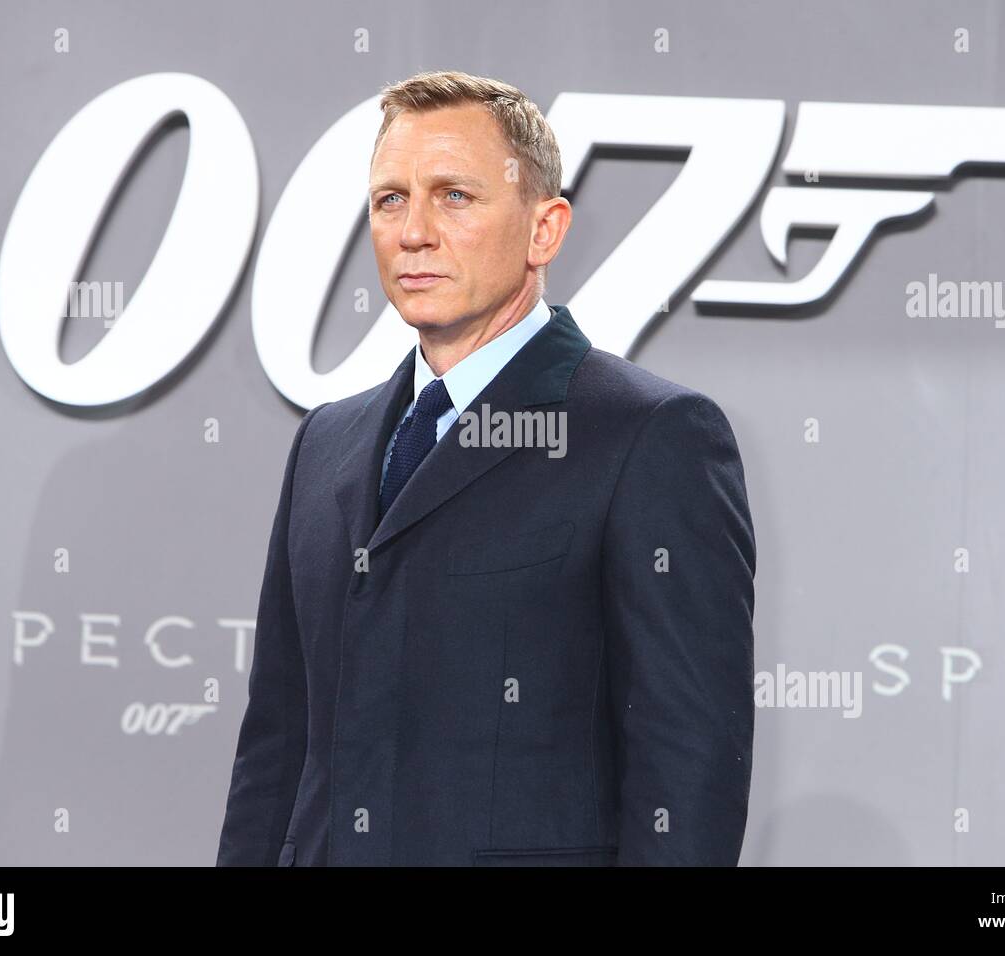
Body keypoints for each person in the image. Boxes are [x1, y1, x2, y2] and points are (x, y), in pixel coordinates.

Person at [216, 70, 756, 866]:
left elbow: (690, 767)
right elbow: (277, 745)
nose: (414, 232)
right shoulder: (326, 441)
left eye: (455, 197)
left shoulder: (649, 436)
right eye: (391, 199)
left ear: (545, 229)